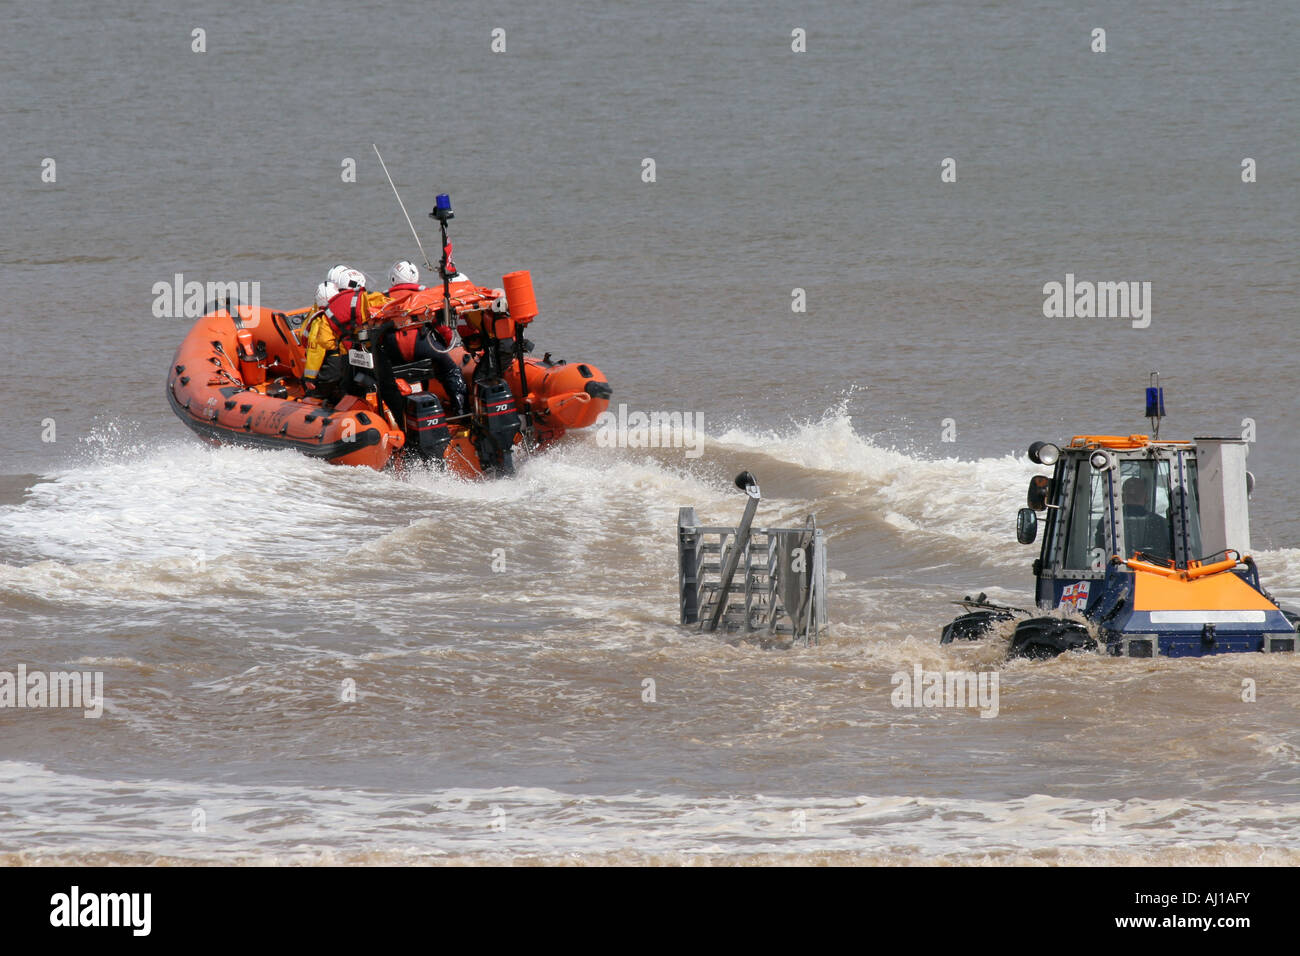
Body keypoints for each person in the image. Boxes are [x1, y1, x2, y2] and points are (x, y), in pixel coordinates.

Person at [302, 281, 347, 402]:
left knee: (311, 396)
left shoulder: (320, 321)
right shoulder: (344, 314)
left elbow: (315, 352)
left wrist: (309, 378)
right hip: (346, 363)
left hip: (331, 366)